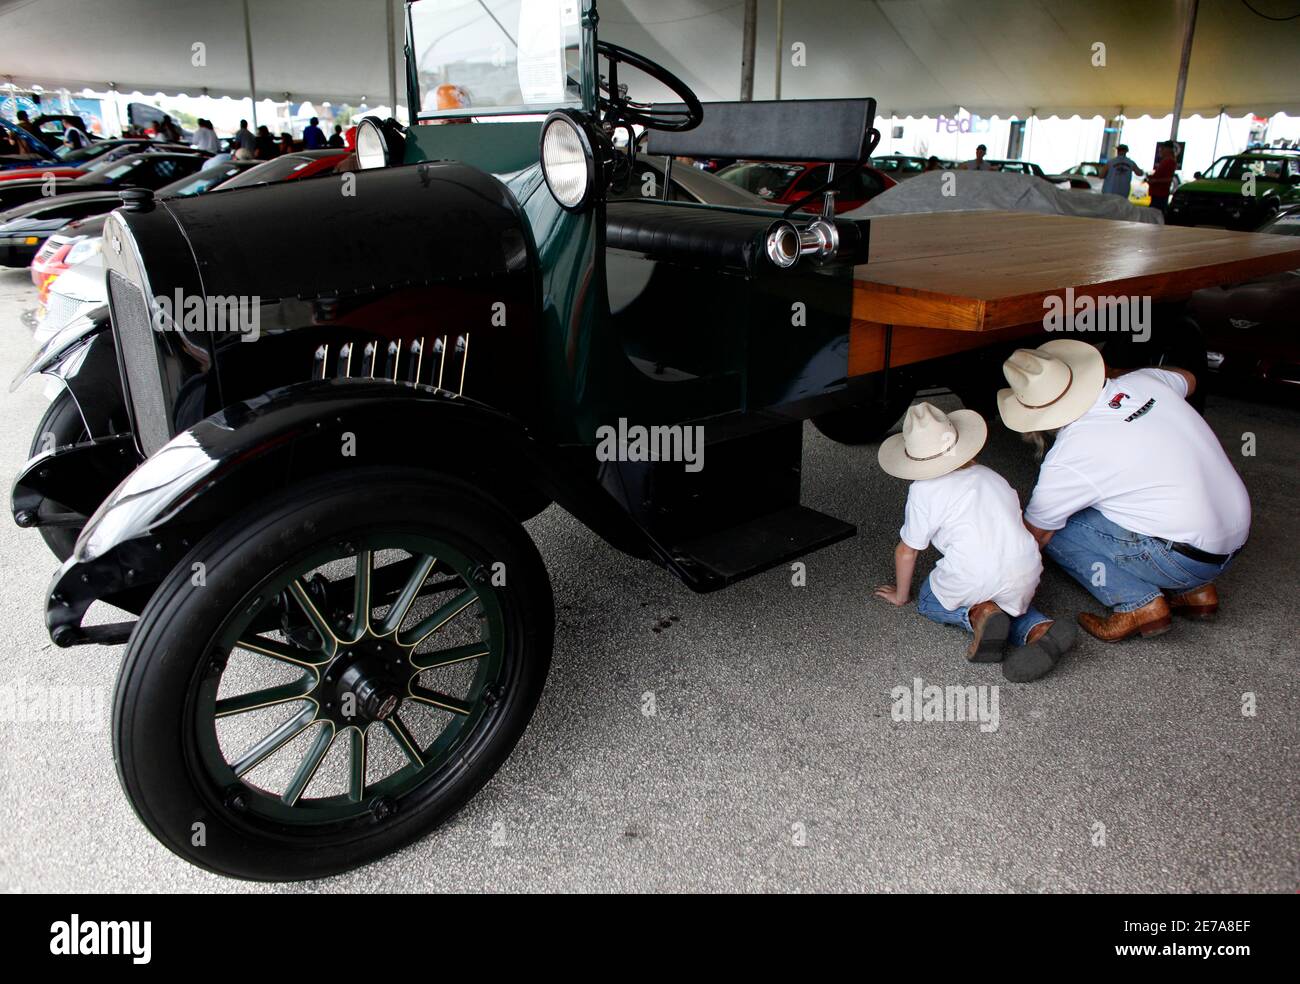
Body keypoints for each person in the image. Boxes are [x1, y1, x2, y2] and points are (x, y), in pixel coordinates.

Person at [998, 339, 1250, 643]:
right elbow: (1189, 378)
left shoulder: (1071, 454)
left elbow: (1035, 536)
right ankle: (1194, 592)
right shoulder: (1144, 380)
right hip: (1234, 539)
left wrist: (996, 584)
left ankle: (1138, 604)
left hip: (1183, 558)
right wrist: (1119, 376)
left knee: (1056, 529)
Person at [874, 402, 1076, 682]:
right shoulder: (992, 476)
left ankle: (978, 614)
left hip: (975, 575)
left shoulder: (924, 491)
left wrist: (901, 595)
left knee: (929, 601)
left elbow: (907, 551)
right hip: (1026, 568)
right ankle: (1040, 628)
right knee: (1005, 601)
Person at [1146, 141, 1177, 211]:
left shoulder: (1170, 161)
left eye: (1163, 149)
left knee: (1155, 214)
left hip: (1160, 194)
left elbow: (1169, 179)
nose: (1161, 151)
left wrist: (1155, 180)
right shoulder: (1165, 161)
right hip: (1157, 193)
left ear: (1168, 149)